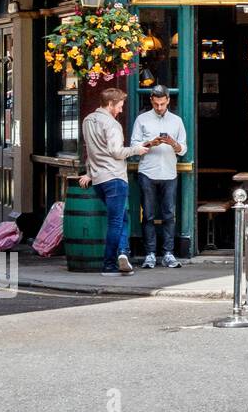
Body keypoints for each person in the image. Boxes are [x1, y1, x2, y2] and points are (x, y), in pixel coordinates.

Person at [78, 88, 150, 276]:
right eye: (119, 106)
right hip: (115, 178)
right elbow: (117, 152)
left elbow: (91, 151)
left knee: (122, 218)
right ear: (110, 104)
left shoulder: (87, 120)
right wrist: (137, 149)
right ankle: (109, 264)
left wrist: (90, 173)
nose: (120, 110)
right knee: (116, 222)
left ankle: (123, 253)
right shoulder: (112, 125)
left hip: (99, 180)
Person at [130, 84, 188, 268]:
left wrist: (173, 143)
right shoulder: (142, 119)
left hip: (169, 173)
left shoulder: (177, 121)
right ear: (151, 101)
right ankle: (150, 254)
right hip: (147, 172)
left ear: (168, 101)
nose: (160, 108)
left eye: (162, 104)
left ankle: (168, 253)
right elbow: (134, 147)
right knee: (147, 215)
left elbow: (183, 149)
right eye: (156, 104)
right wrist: (150, 143)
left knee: (169, 215)